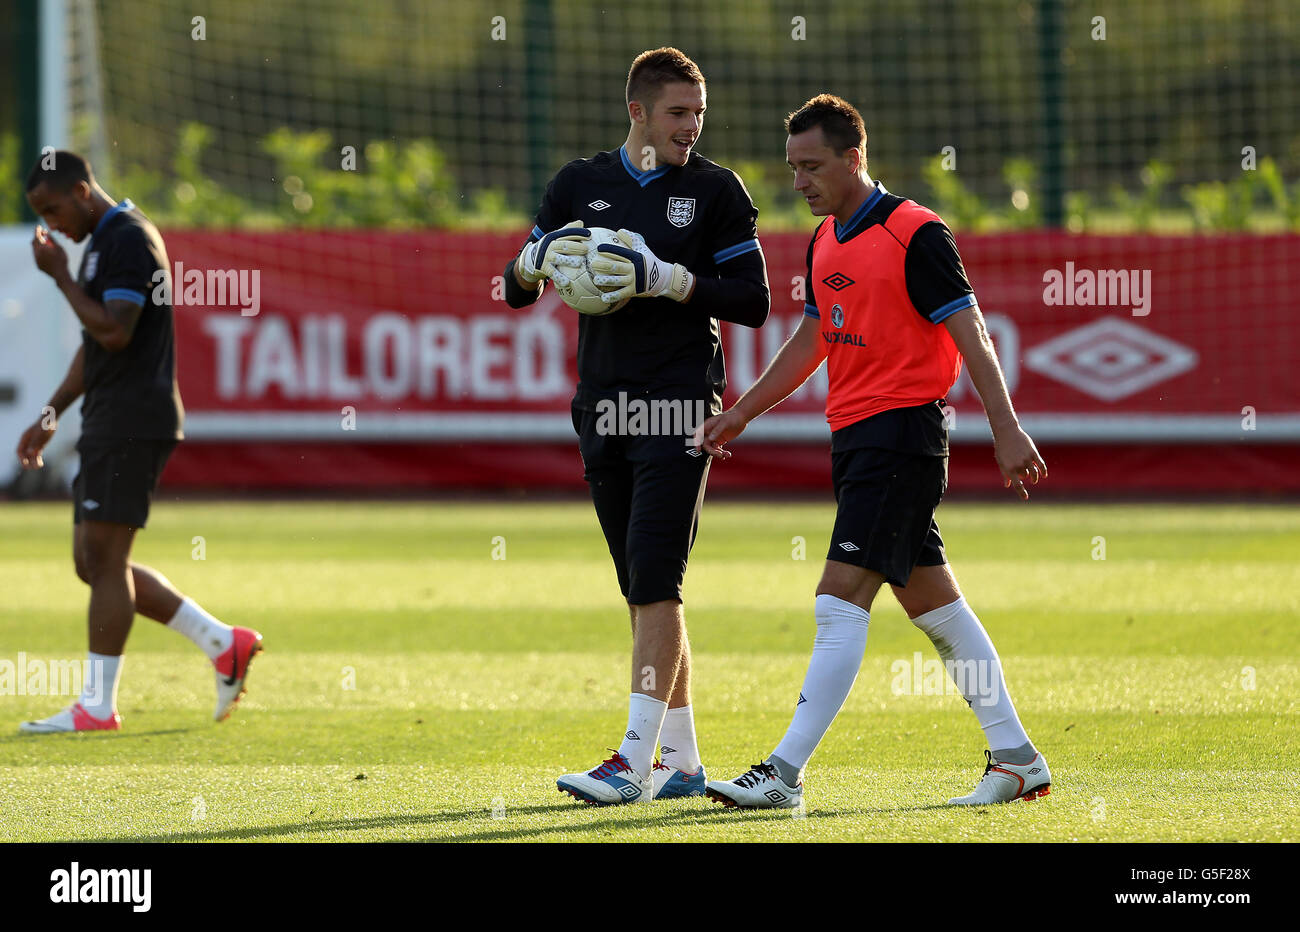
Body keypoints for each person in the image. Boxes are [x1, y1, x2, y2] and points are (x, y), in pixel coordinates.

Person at [696, 94, 1051, 807]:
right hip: (859, 440)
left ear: (854, 158)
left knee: (838, 599)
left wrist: (1006, 428)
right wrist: (742, 412)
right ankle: (1017, 760)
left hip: (902, 436)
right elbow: (812, 340)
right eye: (793, 167)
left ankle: (783, 774)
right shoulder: (825, 238)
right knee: (938, 608)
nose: (799, 182)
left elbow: (972, 333)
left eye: (813, 166)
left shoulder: (915, 232)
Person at [503, 48, 770, 805]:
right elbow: (515, 288)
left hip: (680, 404)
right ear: (638, 114)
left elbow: (753, 301)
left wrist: (672, 280)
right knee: (641, 588)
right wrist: (532, 263)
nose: (692, 126)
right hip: (602, 404)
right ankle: (681, 761)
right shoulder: (578, 185)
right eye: (679, 113)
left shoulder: (715, 191)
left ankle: (631, 759)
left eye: (699, 113)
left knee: (656, 575)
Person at [16, 150, 262, 733]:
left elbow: (114, 331)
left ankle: (96, 707)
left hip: (130, 418)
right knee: (95, 561)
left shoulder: (126, 238)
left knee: (103, 559)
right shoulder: (104, 240)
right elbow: (95, 339)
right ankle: (222, 642)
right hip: (115, 415)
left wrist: (60, 277)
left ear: (82, 190)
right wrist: (51, 412)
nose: (51, 226)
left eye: (53, 209)